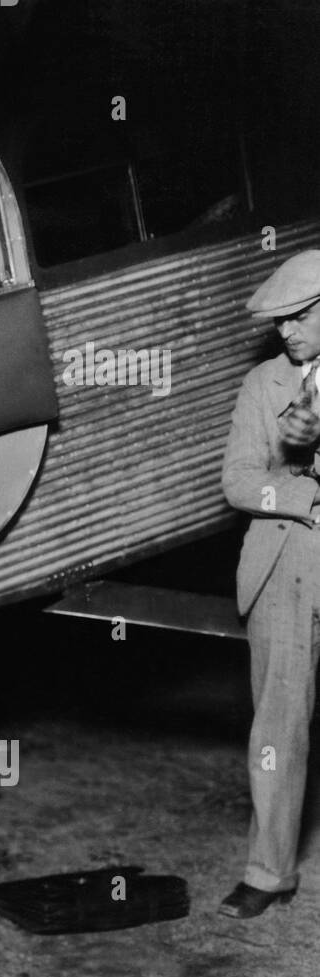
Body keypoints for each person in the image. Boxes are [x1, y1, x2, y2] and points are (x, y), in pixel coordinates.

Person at [220, 249, 320, 917]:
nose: (285, 332)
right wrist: (300, 492)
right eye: (279, 322)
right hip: (289, 566)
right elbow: (236, 481)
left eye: (297, 318)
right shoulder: (265, 386)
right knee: (278, 727)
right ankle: (268, 871)